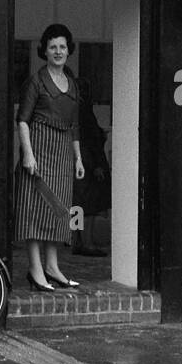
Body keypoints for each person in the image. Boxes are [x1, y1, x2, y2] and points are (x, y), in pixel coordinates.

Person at [15, 24, 86, 292]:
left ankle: (52, 267)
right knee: (34, 212)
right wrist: (28, 155)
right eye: (53, 47)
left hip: (63, 154)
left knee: (58, 212)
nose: (58, 51)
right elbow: (22, 121)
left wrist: (78, 158)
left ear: (69, 50)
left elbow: (75, 125)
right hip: (39, 153)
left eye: (62, 47)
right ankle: (35, 270)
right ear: (44, 50)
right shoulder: (35, 81)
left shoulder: (73, 84)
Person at [71, 71, 111, 257]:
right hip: (89, 163)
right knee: (90, 206)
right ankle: (86, 243)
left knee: (77, 204)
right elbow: (90, 139)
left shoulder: (72, 109)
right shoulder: (84, 111)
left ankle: (75, 240)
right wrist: (96, 165)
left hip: (78, 161)